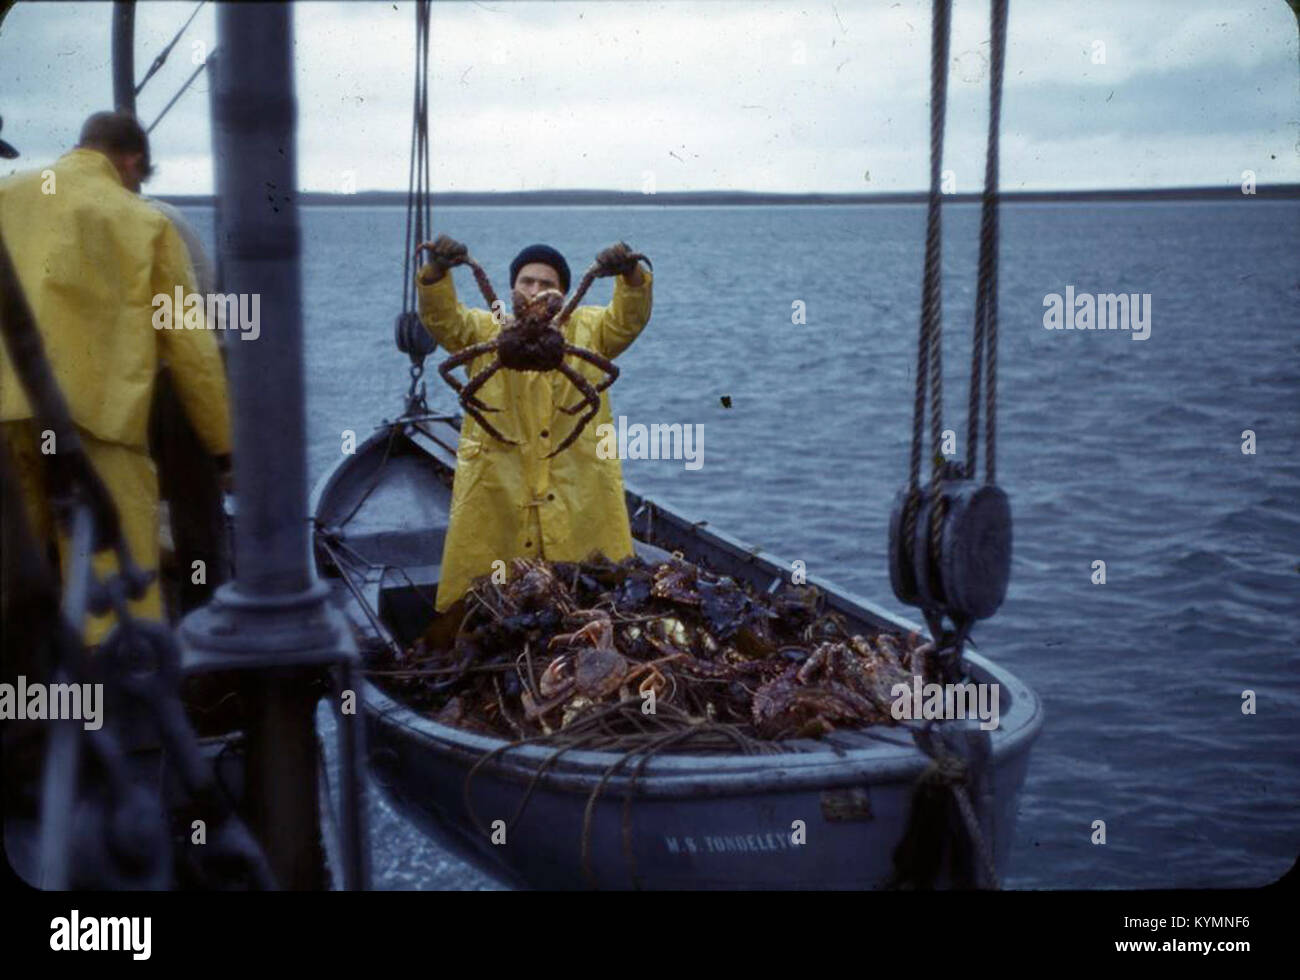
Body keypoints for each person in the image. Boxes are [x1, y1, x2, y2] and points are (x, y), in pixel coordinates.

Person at [0, 110, 231, 646]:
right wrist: (223, 448)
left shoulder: (8, 197)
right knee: (110, 587)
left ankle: (22, 711)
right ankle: (118, 715)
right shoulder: (146, 222)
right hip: (95, 428)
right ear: (131, 161)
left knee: (15, 579)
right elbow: (193, 350)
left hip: (5, 421)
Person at [416, 237, 652, 612]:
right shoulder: (485, 329)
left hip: (579, 489)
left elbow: (628, 319)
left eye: (547, 284)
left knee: (593, 595)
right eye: (527, 282)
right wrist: (437, 271)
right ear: (512, 290)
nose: (536, 291)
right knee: (486, 599)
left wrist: (630, 273)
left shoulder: (590, 330)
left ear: (564, 294)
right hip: (499, 490)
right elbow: (442, 319)